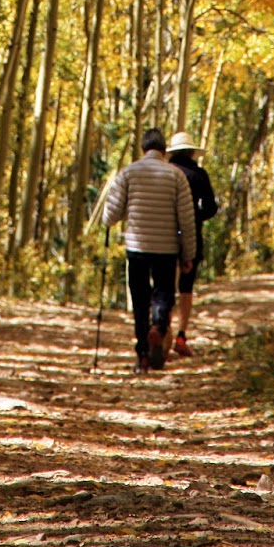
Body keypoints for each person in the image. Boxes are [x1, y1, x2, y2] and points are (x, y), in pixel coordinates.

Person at [103, 127, 197, 373]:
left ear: (143, 149)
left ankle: (142, 354)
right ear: (165, 150)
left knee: (140, 298)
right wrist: (189, 254)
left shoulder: (128, 173)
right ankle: (158, 326)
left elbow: (110, 215)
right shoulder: (176, 176)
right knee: (163, 294)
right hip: (166, 248)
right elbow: (186, 219)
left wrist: (116, 214)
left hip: (137, 247)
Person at [166, 129, 219, 357]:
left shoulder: (166, 172)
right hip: (192, 236)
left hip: (164, 237)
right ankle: (181, 335)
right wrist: (195, 217)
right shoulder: (199, 175)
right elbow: (210, 208)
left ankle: (162, 333)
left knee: (165, 287)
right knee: (186, 288)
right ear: (191, 152)